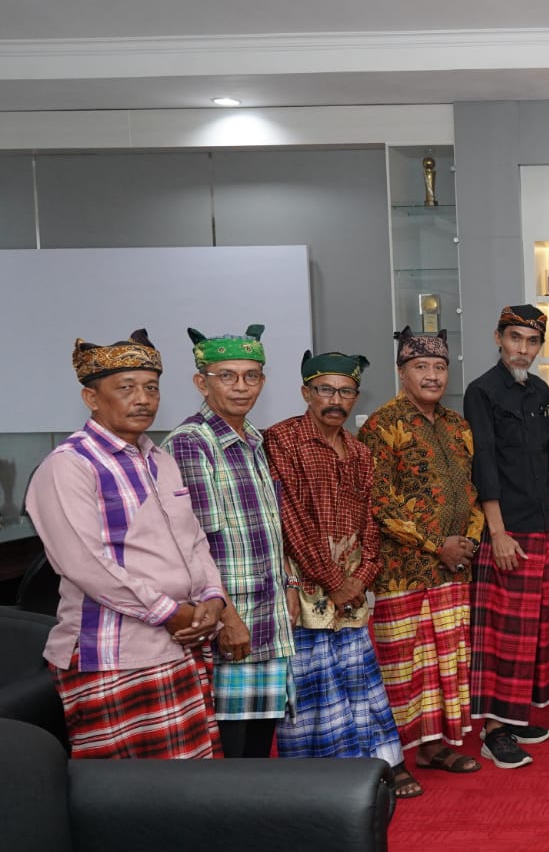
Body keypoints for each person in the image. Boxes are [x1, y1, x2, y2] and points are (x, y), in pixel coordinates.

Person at [26, 330, 225, 758]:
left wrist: (212, 597)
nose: (143, 399)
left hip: (179, 645)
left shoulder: (161, 461)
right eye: (126, 388)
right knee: (125, 798)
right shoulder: (70, 466)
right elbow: (86, 566)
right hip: (111, 655)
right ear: (91, 398)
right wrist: (171, 613)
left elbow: (194, 540)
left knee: (191, 781)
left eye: (151, 387)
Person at [265, 351, 413, 795]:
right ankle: (321, 780)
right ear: (306, 392)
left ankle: (376, 767)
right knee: (314, 686)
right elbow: (289, 518)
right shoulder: (282, 441)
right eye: (326, 390)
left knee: (359, 679)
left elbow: (372, 520)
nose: (336, 399)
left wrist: (362, 575)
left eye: (346, 392)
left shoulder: (360, 452)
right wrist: (334, 580)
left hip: (351, 587)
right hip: (306, 584)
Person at [162, 324, 296, 759]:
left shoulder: (255, 440)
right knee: (230, 748)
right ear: (202, 382)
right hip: (230, 623)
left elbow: (268, 529)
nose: (241, 387)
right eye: (227, 376)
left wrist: (289, 588)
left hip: (268, 617)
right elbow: (194, 543)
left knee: (259, 744)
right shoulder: (191, 443)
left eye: (251, 375)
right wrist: (227, 618)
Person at [359, 327, 485, 774]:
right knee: (404, 666)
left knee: (445, 664)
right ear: (401, 371)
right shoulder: (382, 424)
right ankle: (392, 760)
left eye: (439, 366)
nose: (432, 376)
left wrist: (467, 541)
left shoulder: (457, 426)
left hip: (453, 570)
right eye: (421, 367)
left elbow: (472, 490)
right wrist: (437, 545)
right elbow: (378, 500)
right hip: (404, 571)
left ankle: (435, 748)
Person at [463, 305, 549, 769]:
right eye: (515, 339)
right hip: (508, 530)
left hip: (540, 525)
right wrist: (498, 532)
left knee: (534, 632)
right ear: (498, 338)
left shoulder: (542, 390)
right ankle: (493, 730)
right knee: (504, 635)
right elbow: (484, 461)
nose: (522, 348)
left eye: (531, 341)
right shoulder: (481, 391)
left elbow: (546, 459)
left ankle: (515, 714)